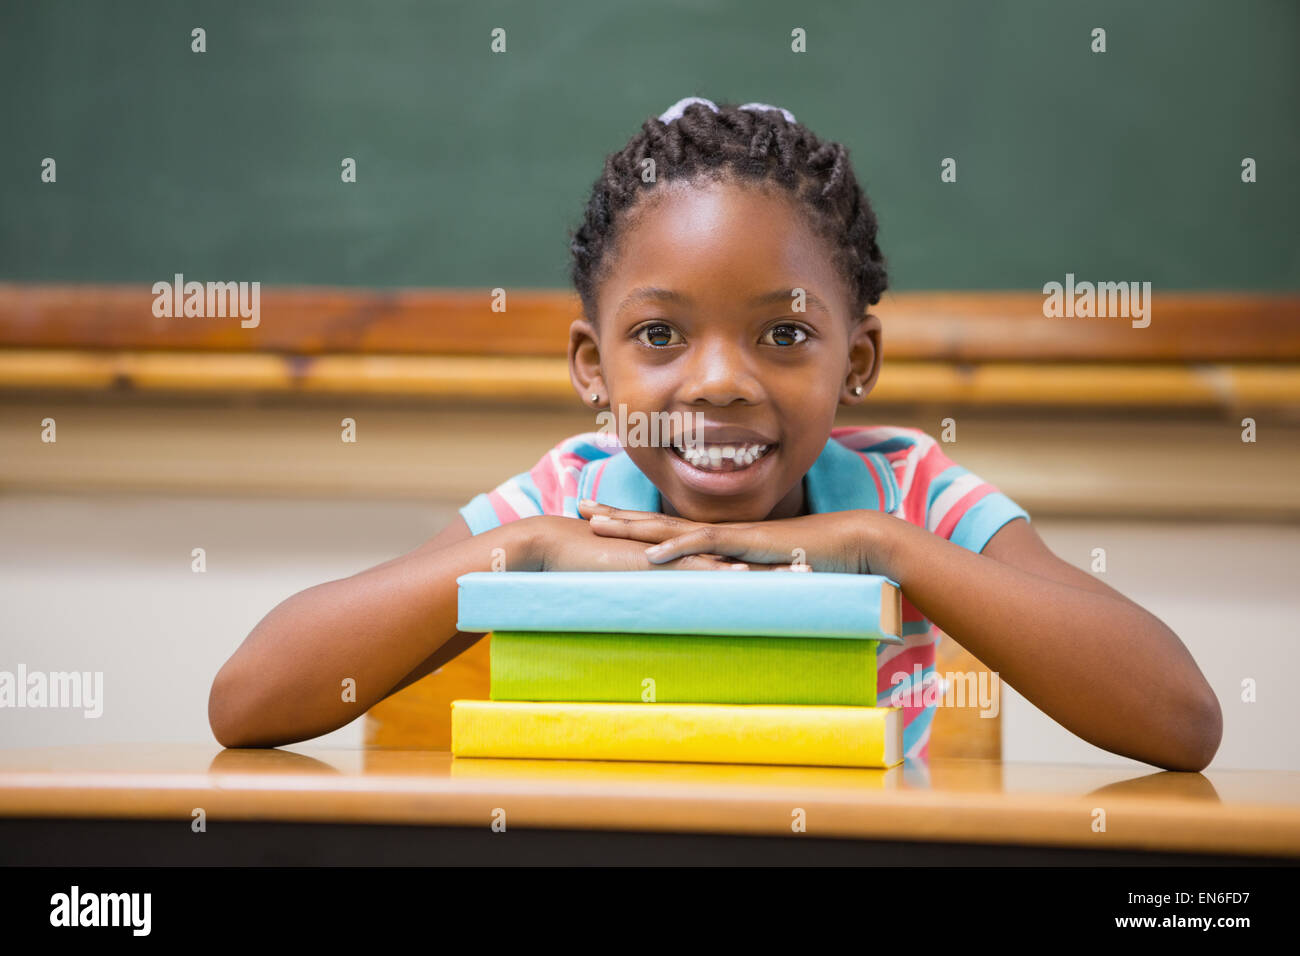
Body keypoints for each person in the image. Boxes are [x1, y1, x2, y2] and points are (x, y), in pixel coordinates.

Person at [209, 97, 1221, 770]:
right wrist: (519, 551)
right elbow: (250, 700)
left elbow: (1178, 719)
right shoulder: (567, 495)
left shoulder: (909, 491)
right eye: (659, 335)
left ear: (856, 363)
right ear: (592, 369)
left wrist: (885, 547)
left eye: (783, 334)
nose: (722, 380)